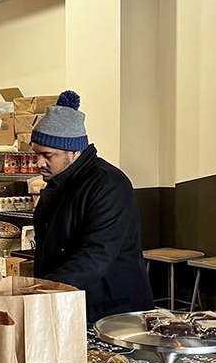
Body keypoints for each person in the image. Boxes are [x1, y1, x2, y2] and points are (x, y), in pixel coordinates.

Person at [30, 90, 153, 322]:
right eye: (35, 154)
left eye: (47, 155)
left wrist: (43, 290)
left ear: (74, 151)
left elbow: (96, 254)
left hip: (113, 308)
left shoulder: (108, 184)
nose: (39, 163)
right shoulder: (58, 182)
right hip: (71, 301)